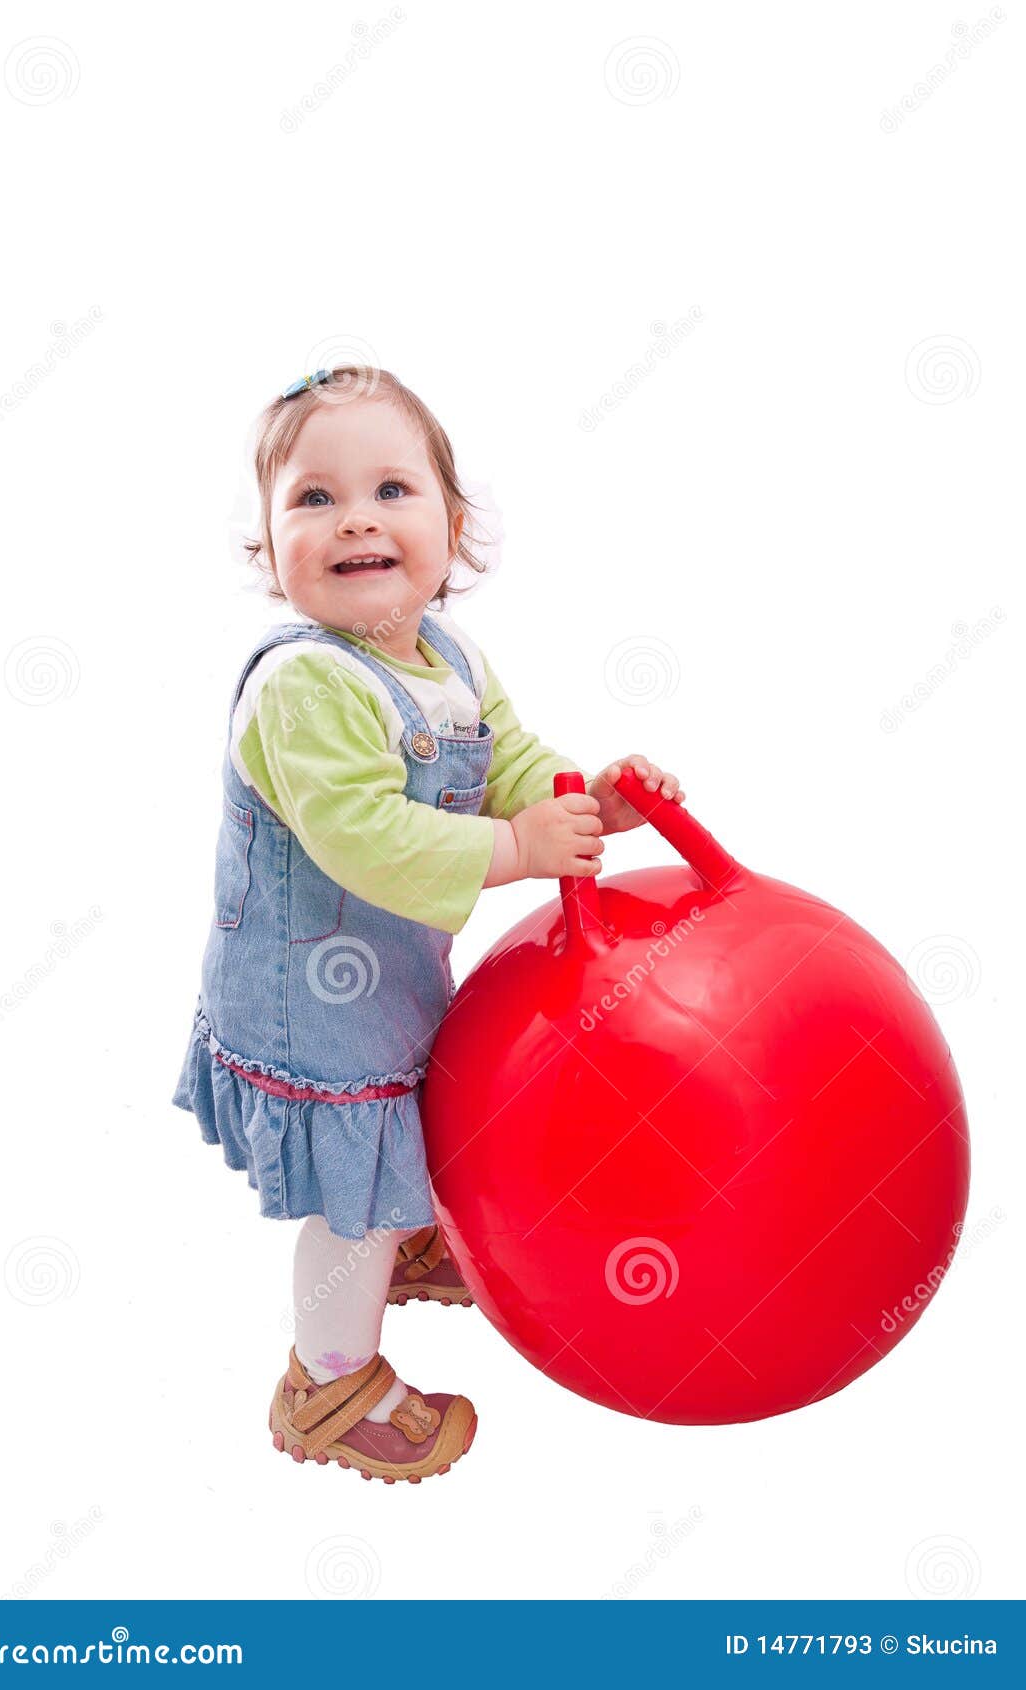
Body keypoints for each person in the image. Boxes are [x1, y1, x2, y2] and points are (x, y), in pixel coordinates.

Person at [172, 365, 685, 1483]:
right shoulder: (303, 687)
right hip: (309, 999)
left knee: (407, 1117)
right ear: (268, 548)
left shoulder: (448, 660)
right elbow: (362, 837)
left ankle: (402, 1238)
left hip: (387, 972)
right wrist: (517, 853)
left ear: (454, 530)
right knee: (347, 1196)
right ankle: (328, 1382)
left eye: (390, 489)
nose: (355, 517)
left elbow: (507, 762)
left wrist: (581, 802)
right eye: (314, 498)